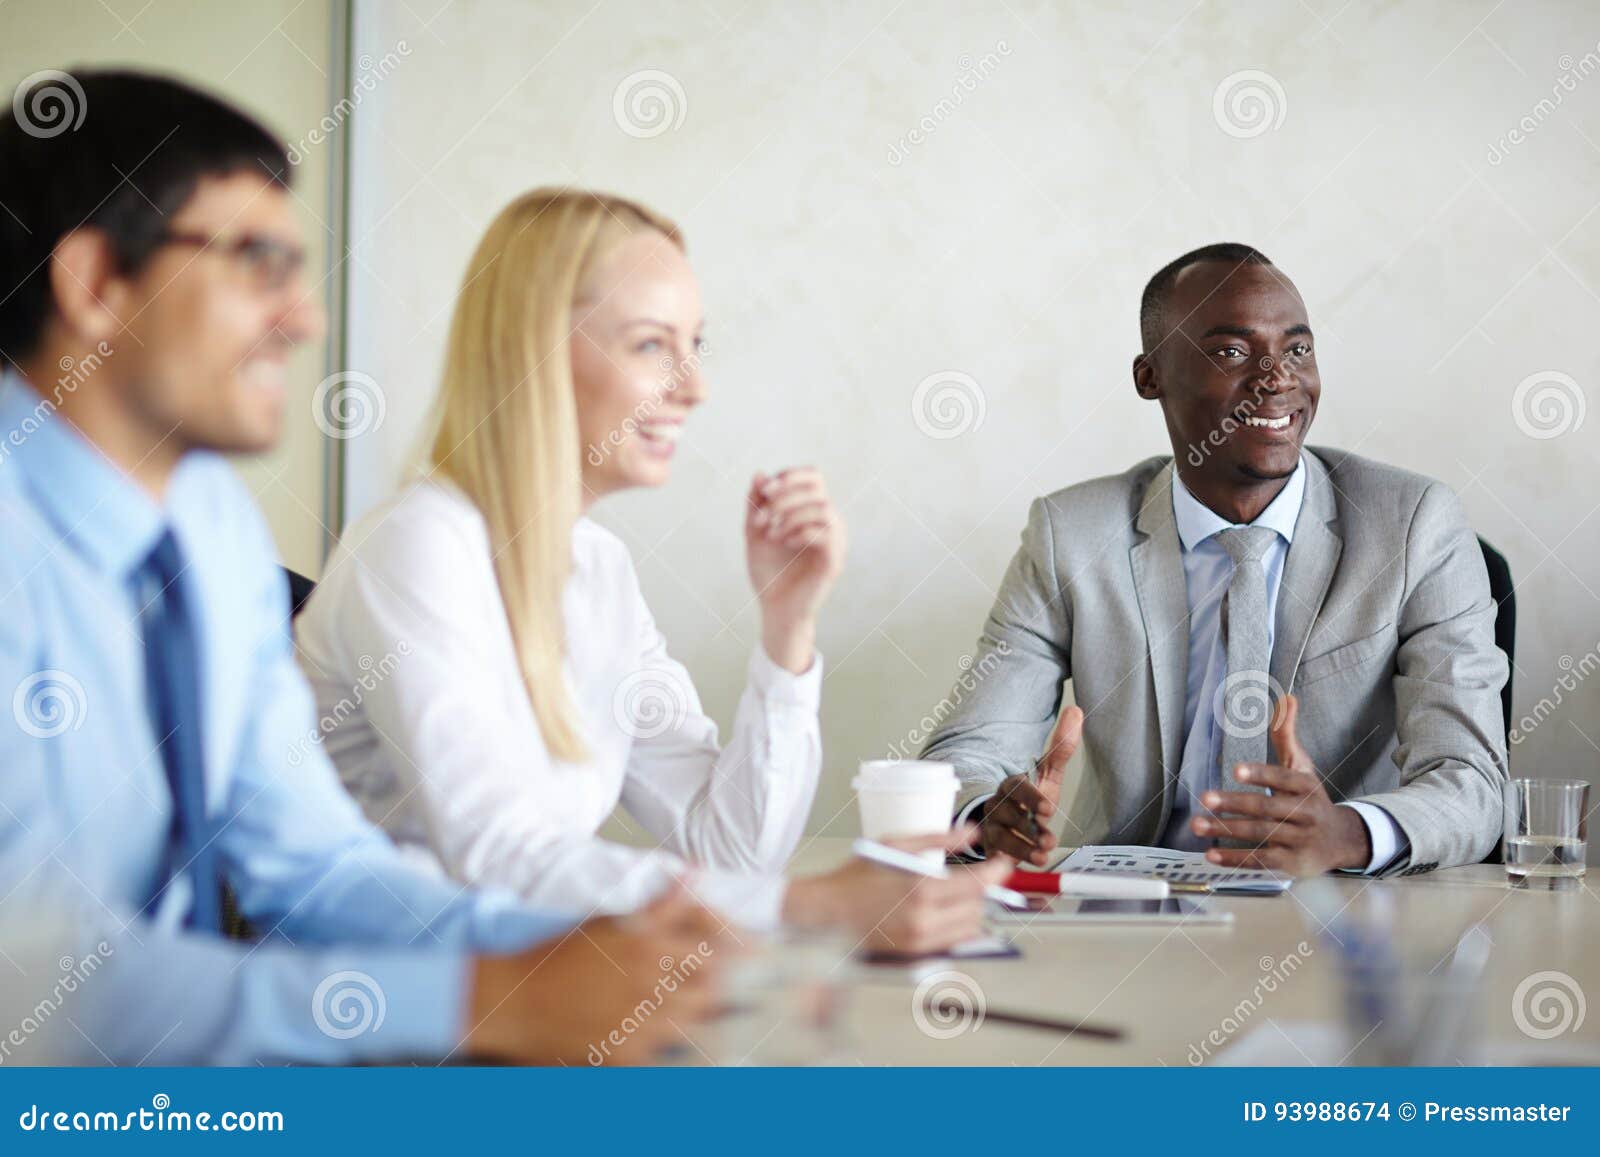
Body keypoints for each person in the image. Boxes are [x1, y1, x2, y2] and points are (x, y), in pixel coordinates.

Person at [0, 69, 724, 1066]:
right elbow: (31, 987)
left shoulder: (210, 523)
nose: (306, 319)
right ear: (95, 284)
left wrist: (569, 949)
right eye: (258, 263)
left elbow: (312, 860)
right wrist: (477, 997)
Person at [295, 187, 1007, 954]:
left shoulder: (597, 569)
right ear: (534, 351)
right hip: (391, 1027)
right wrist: (812, 905)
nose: (694, 386)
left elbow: (732, 849)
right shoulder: (417, 546)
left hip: (522, 1005)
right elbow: (496, 858)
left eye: (694, 344)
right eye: (650, 345)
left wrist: (786, 626)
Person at [921, 243, 1508, 877]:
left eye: (1297, 349)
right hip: (1133, 916)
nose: (1276, 376)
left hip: (1339, 918)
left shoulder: (1413, 524)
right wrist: (988, 816)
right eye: (1231, 352)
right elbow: (964, 754)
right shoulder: (1073, 535)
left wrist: (1345, 833)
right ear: (1151, 377)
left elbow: (1473, 783)